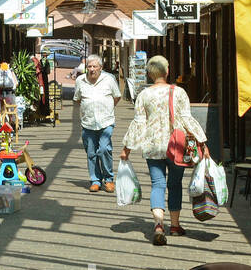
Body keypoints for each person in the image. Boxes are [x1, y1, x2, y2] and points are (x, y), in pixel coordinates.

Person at [120, 55, 209, 245]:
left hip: (152, 147)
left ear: (150, 74)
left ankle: (159, 225)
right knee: (174, 185)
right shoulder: (179, 92)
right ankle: (175, 226)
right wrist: (202, 142)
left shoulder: (144, 95)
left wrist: (127, 147)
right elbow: (187, 119)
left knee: (158, 184)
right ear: (167, 71)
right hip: (176, 146)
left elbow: (139, 123)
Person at [73, 54, 121, 193]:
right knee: (91, 152)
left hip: (106, 121)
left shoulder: (109, 79)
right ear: (86, 67)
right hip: (88, 123)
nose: (92, 69)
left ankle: (109, 179)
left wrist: (107, 108)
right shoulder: (80, 80)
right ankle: (95, 180)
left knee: (104, 149)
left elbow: (116, 96)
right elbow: (77, 99)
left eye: (95, 66)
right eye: (89, 66)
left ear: (101, 68)